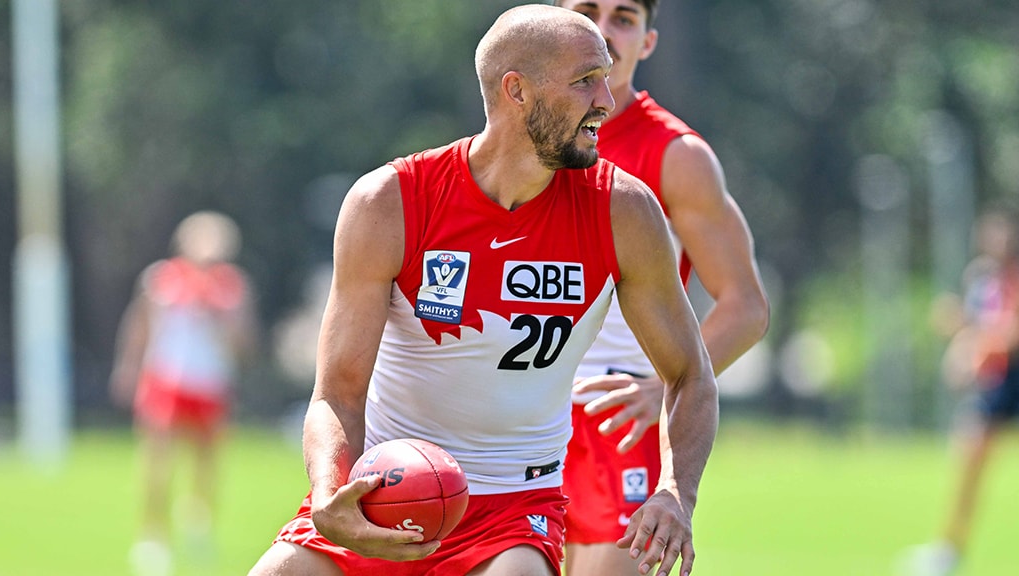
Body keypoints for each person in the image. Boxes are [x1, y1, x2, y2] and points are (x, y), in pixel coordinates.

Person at [248, 5, 718, 576]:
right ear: (516, 90)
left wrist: (677, 492)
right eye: (584, 81)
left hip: (515, 513)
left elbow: (691, 375)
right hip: (385, 488)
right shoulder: (390, 203)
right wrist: (328, 492)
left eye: (605, 76)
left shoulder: (625, 210)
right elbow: (336, 392)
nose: (606, 100)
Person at [552, 1, 769, 574]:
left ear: (647, 41)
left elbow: (746, 305)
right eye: (586, 11)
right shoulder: (518, 144)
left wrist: (662, 386)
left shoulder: (676, 156)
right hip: (517, 418)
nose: (602, 31)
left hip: (616, 422)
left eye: (624, 17)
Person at [110, 210, 258, 576]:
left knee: (206, 465)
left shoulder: (232, 287)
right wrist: (127, 367)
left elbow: (246, 344)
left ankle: (198, 524)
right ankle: (152, 537)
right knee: (157, 464)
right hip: (165, 381)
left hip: (210, 386)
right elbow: (138, 327)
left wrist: (221, 315)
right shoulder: (160, 279)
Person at [902, 206, 1019, 576]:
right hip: (1002, 381)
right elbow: (976, 330)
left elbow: (1007, 333)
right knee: (970, 459)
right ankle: (950, 548)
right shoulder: (982, 280)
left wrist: (976, 342)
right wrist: (962, 344)